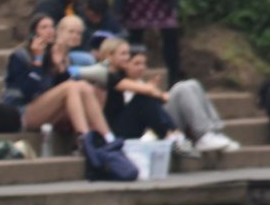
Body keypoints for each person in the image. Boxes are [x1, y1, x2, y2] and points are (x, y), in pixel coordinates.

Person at [3, 13, 119, 154]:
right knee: (72, 87)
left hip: (46, 109)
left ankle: (108, 138)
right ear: (34, 32)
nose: (49, 30)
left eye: (52, 26)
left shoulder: (50, 55)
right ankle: (85, 139)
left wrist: (60, 67)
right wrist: (37, 61)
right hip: (21, 112)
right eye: (44, 27)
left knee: (84, 87)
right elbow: (28, 91)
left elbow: (61, 88)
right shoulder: (20, 56)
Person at [103, 42, 241, 153]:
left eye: (144, 64)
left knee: (192, 84)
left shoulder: (140, 83)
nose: (142, 68)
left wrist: (155, 92)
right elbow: (149, 99)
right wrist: (153, 91)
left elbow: (159, 98)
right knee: (181, 89)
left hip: (154, 123)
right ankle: (201, 135)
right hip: (140, 131)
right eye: (136, 63)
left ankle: (213, 132)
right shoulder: (116, 80)